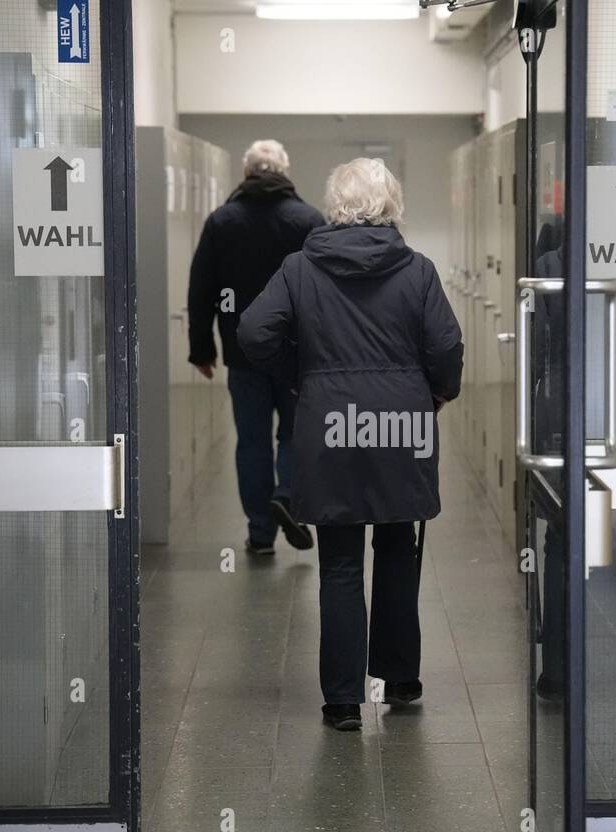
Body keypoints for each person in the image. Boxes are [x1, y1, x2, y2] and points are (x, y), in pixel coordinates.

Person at [239, 158, 464, 731]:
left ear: (336, 205)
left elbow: (253, 332)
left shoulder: (299, 269)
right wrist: (436, 392)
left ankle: (342, 700)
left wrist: (302, 375)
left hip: (330, 425)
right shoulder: (417, 271)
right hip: (400, 428)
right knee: (396, 551)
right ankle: (399, 677)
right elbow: (445, 346)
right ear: (391, 205)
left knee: (339, 563)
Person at [187, 139, 324, 555]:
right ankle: (287, 497)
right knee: (296, 434)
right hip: (296, 354)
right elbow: (324, 289)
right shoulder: (308, 219)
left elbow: (201, 289)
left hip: (242, 352)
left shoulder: (221, 221)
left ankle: (260, 533)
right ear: (284, 171)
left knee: (251, 441)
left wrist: (202, 349)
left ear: (246, 173)